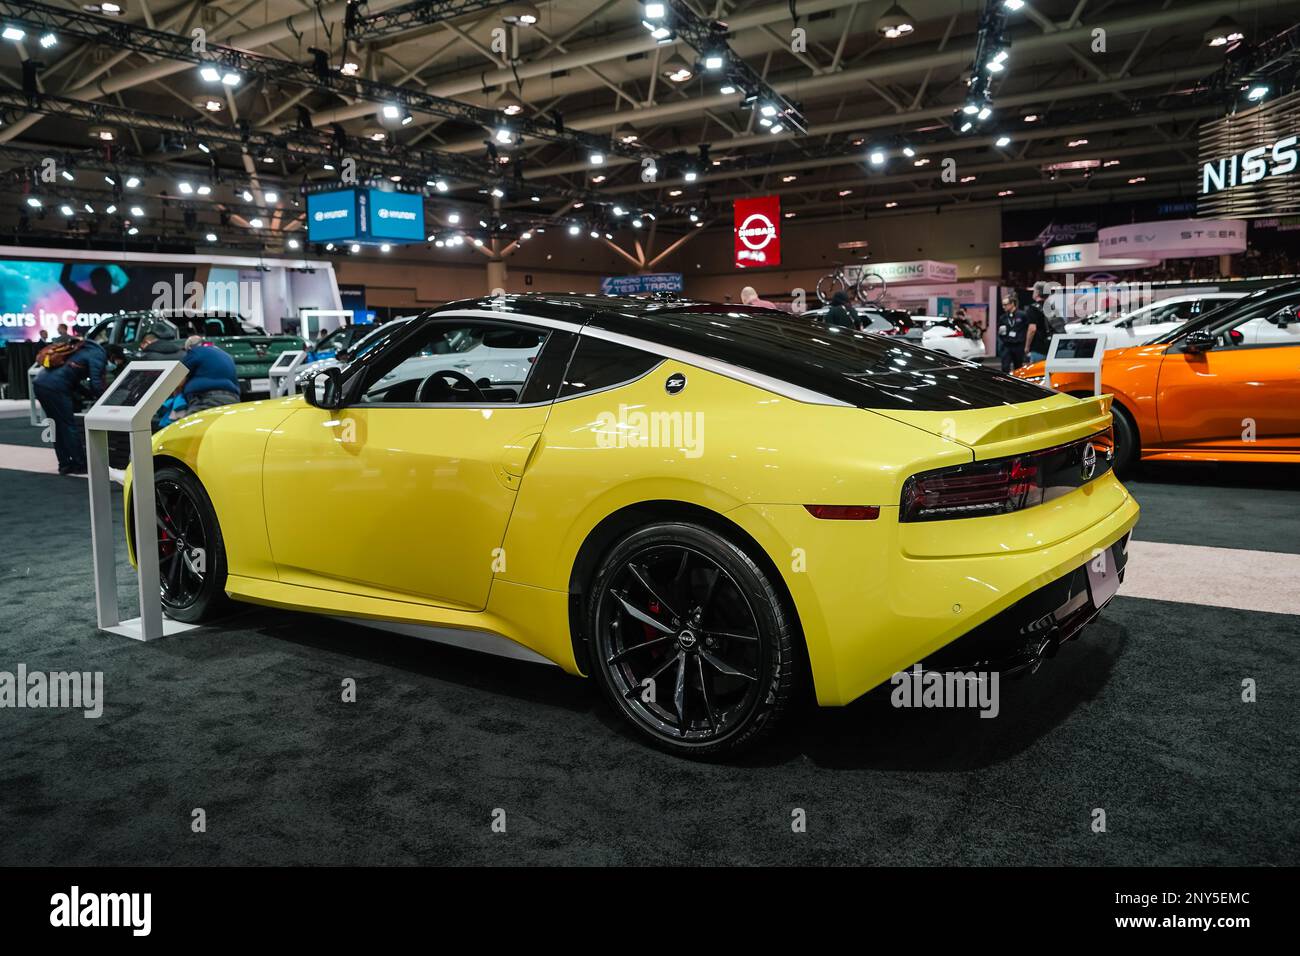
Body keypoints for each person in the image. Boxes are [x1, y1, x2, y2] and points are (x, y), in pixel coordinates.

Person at [32, 336, 108, 475]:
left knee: (56, 425)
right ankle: (80, 465)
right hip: (56, 387)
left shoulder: (81, 347)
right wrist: (106, 400)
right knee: (68, 426)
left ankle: (65, 464)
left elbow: (71, 377)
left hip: (41, 382)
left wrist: (88, 394)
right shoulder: (99, 355)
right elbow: (96, 383)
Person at [178, 334, 241, 415]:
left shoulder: (195, 352)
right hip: (233, 399)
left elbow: (179, 380)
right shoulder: (226, 355)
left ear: (189, 348)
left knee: (189, 426)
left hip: (207, 399)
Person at [997, 295, 1026, 372]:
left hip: (1018, 345)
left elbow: (1026, 329)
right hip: (1007, 345)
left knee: (1018, 367)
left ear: (1012, 303)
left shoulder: (1022, 315)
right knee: (1005, 366)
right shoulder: (1003, 317)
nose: (1003, 307)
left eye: (1005, 304)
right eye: (1002, 305)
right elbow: (1000, 331)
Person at [1023, 289, 1049, 363]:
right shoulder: (1051, 307)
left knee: (1036, 372)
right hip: (1051, 346)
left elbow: (1032, 329)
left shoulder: (1033, 308)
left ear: (1037, 293)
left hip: (1039, 347)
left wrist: (1027, 347)